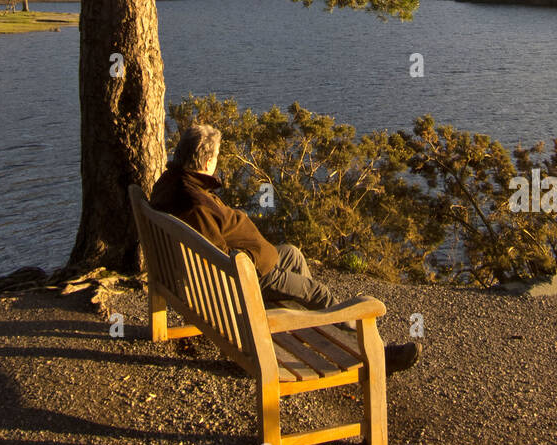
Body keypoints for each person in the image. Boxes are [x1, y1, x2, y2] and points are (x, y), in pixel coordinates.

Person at [150, 123, 421, 375]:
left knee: (291, 252)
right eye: (217, 157)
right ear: (208, 161)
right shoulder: (196, 205)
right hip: (248, 278)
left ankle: (313, 332)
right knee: (319, 293)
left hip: (244, 267)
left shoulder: (172, 183)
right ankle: (375, 356)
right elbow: (220, 267)